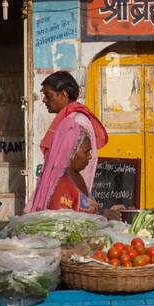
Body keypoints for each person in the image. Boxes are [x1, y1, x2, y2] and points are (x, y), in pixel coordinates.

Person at [28, 71, 122, 218]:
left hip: (69, 204)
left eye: (49, 95)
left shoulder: (74, 122)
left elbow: (64, 167)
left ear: (63, 94)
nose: (45, 100)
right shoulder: (72, 118)